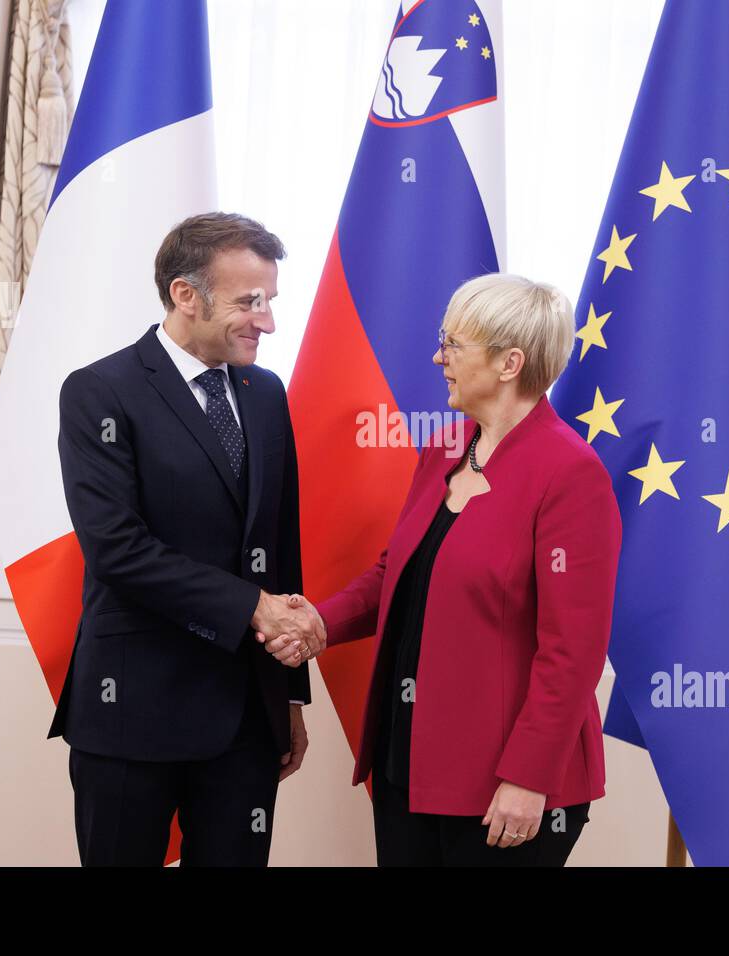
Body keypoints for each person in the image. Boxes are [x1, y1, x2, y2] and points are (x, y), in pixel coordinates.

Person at [262, 272, 622, 866]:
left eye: (454, 345)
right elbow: (397, 574)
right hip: (410, 764)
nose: (438, 357)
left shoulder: (570, 474)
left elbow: (574, 651)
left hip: (505, 785)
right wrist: (317, 624)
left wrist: (529, 777)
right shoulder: (446, 447)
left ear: (509, 363)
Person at [51, 212, 326, 866]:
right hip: (132, 711)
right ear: (185, 294)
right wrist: (250, 608)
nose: (268, 322)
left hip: (246, 718)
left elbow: (279, 547)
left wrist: (286, 691)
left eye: (271, 301)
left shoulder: (266, 394)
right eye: (249, 302)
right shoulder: (100, 392)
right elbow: (118, 550)